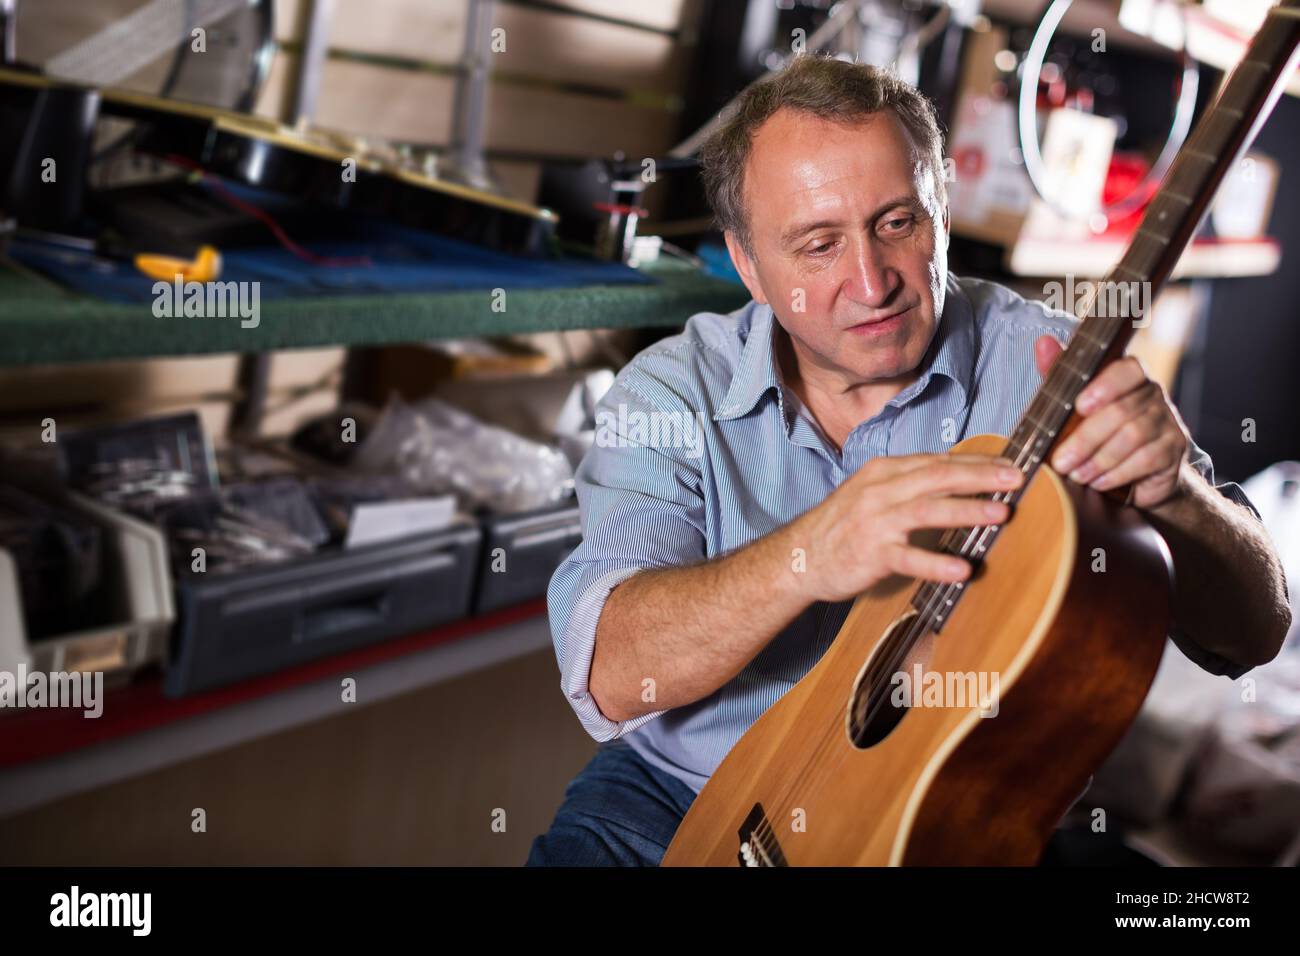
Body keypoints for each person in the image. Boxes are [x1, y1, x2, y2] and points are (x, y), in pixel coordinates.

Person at [526, 55, 1291, 866]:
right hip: (683, 798)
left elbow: (1254, 631)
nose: (871, 281)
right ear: (748, 266)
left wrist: (1174, 496)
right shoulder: (670, 395)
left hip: (951, 802)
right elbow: (612, 673)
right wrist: (808, 556)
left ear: (943, 212)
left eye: (897, 223)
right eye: (818, 245)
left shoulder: (1052, 371)